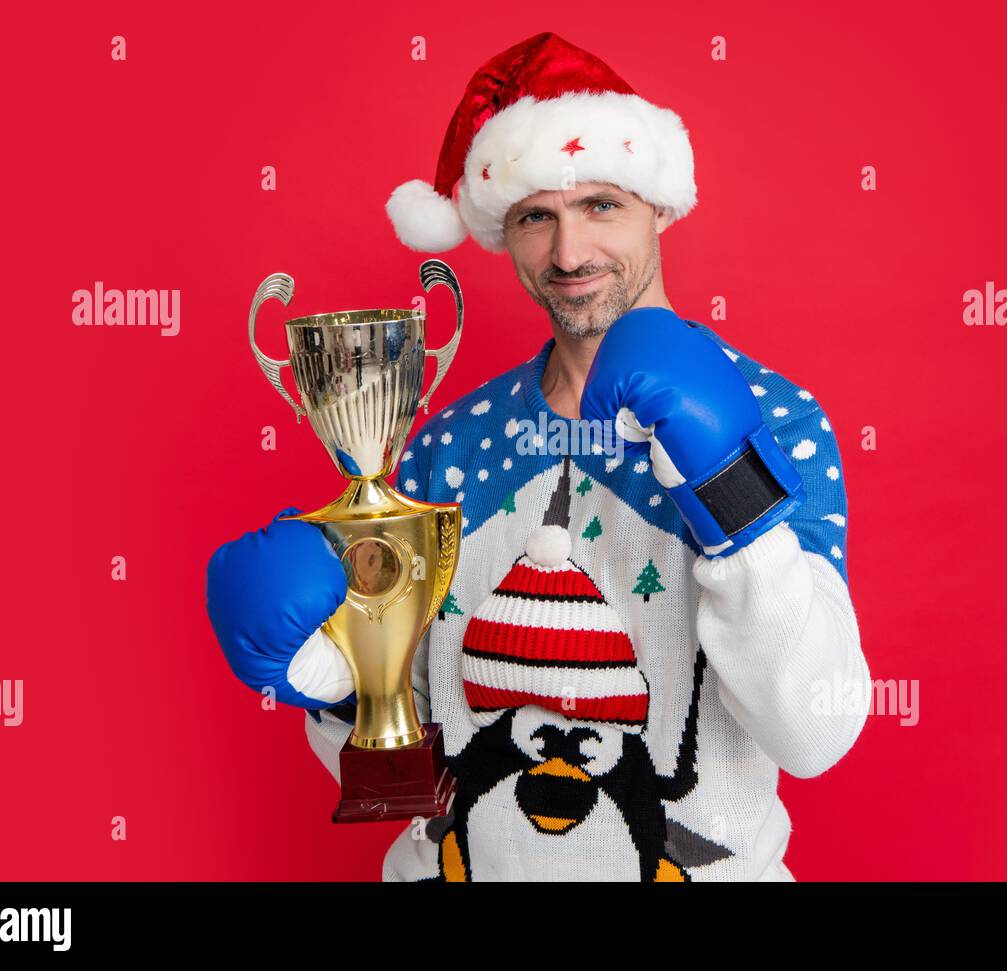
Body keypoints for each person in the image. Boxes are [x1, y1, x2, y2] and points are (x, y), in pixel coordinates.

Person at [207, 31, 871, 882]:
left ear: (660, 206)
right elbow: (407, 769)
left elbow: (814, 733)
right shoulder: (449, 447)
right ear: (502, 232)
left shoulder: (777, 420)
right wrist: (329, 678)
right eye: (536, 217)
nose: (569, 253)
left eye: (602, 205)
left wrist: (728, 486)